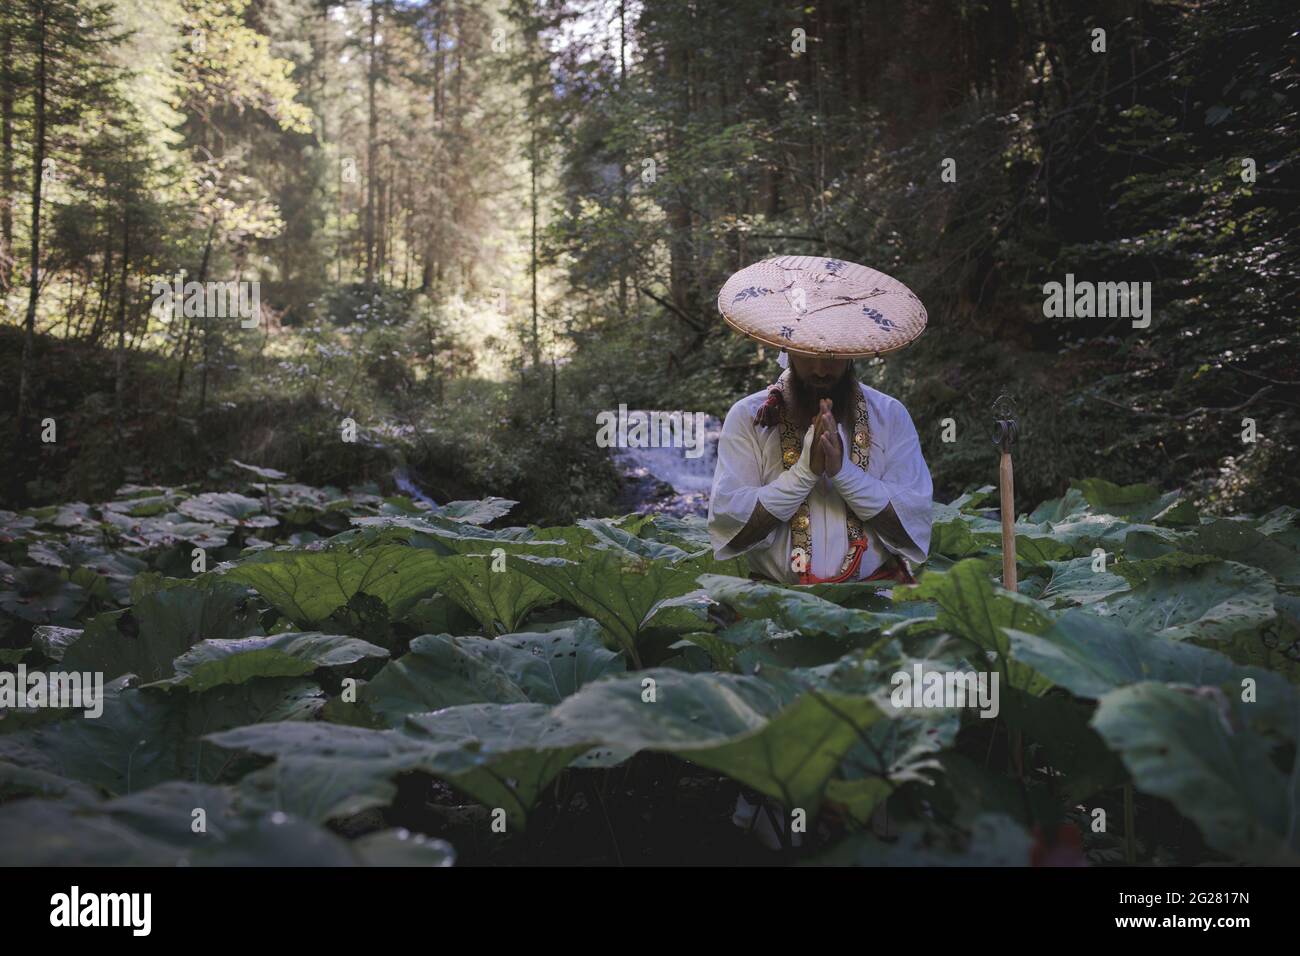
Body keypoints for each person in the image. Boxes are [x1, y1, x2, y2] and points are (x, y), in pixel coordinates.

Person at [708, 255, 934, 585]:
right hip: (776, 606)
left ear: (851, 351)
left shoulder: (890, 414)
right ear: (787, 345)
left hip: (876, 601)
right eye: (809, 352)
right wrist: (805, 473)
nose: (821, 369)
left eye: (833, 356)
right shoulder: (748, 416)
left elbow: (912, 524)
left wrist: (844, 473)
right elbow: (732, 530)